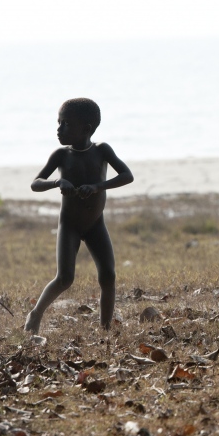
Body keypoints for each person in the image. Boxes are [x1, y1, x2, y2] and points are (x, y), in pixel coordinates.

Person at [24, 98, 134, 333]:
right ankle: (35, 314)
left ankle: (105, 329)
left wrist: (97, 186)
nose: (59, 129)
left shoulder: (102, 151)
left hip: (96, 224)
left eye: (65, 124)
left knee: (108, 276)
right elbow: (35, 183)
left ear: (86, 129)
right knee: (64, 278)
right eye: (58, 123)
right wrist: (57, 182)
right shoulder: (61, 156)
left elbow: (127, 175)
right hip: (70, 225)